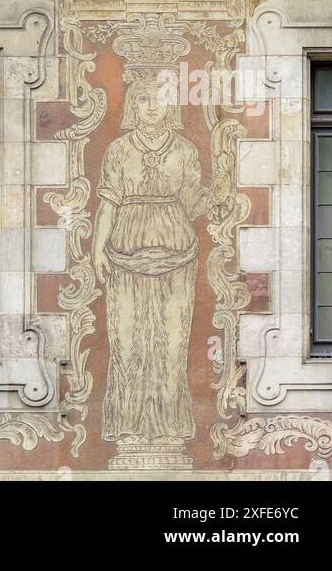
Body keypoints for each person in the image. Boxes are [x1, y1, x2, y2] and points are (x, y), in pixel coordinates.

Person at [93, 78, 209, 451]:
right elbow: (108, 204)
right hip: (124, 253)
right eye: (143, 99)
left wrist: (219, 190)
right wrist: (97, 249)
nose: (152, 106)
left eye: (159, 99)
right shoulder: (118, 150)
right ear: (133, 106)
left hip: (177, 254)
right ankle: (128, 424)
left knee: (172, 343)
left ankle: (169, 424)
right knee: (127, 341)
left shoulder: (186, 150)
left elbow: (194, 205)